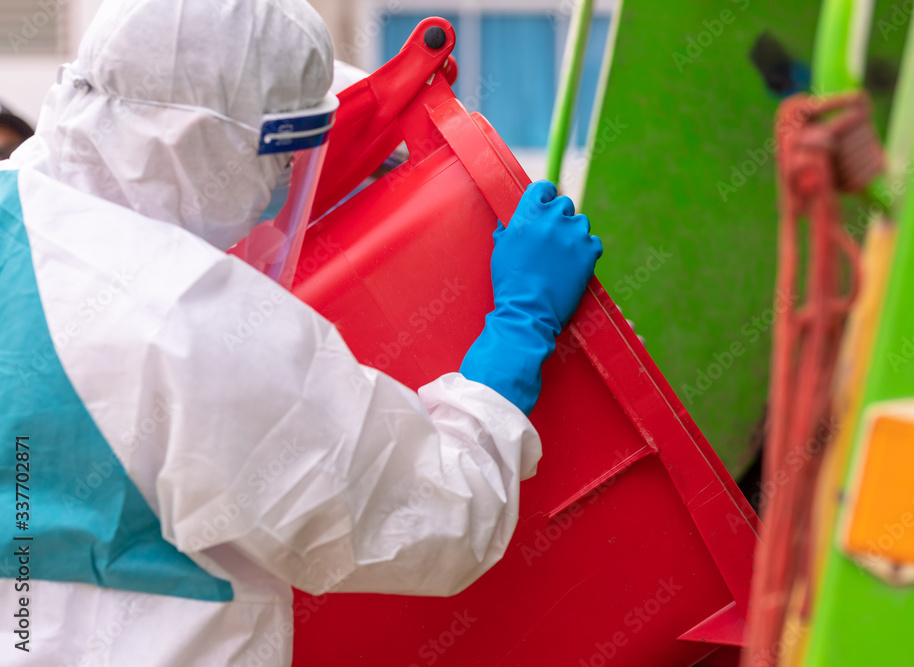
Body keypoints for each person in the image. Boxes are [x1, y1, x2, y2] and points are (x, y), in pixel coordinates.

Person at [0, 0, 601, 665]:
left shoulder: (17, 209)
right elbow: (436, 517)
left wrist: (377, 107)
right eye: (283, 155)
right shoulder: (191, 318)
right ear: (213, 141)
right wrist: (519, 328)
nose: (285, 181)